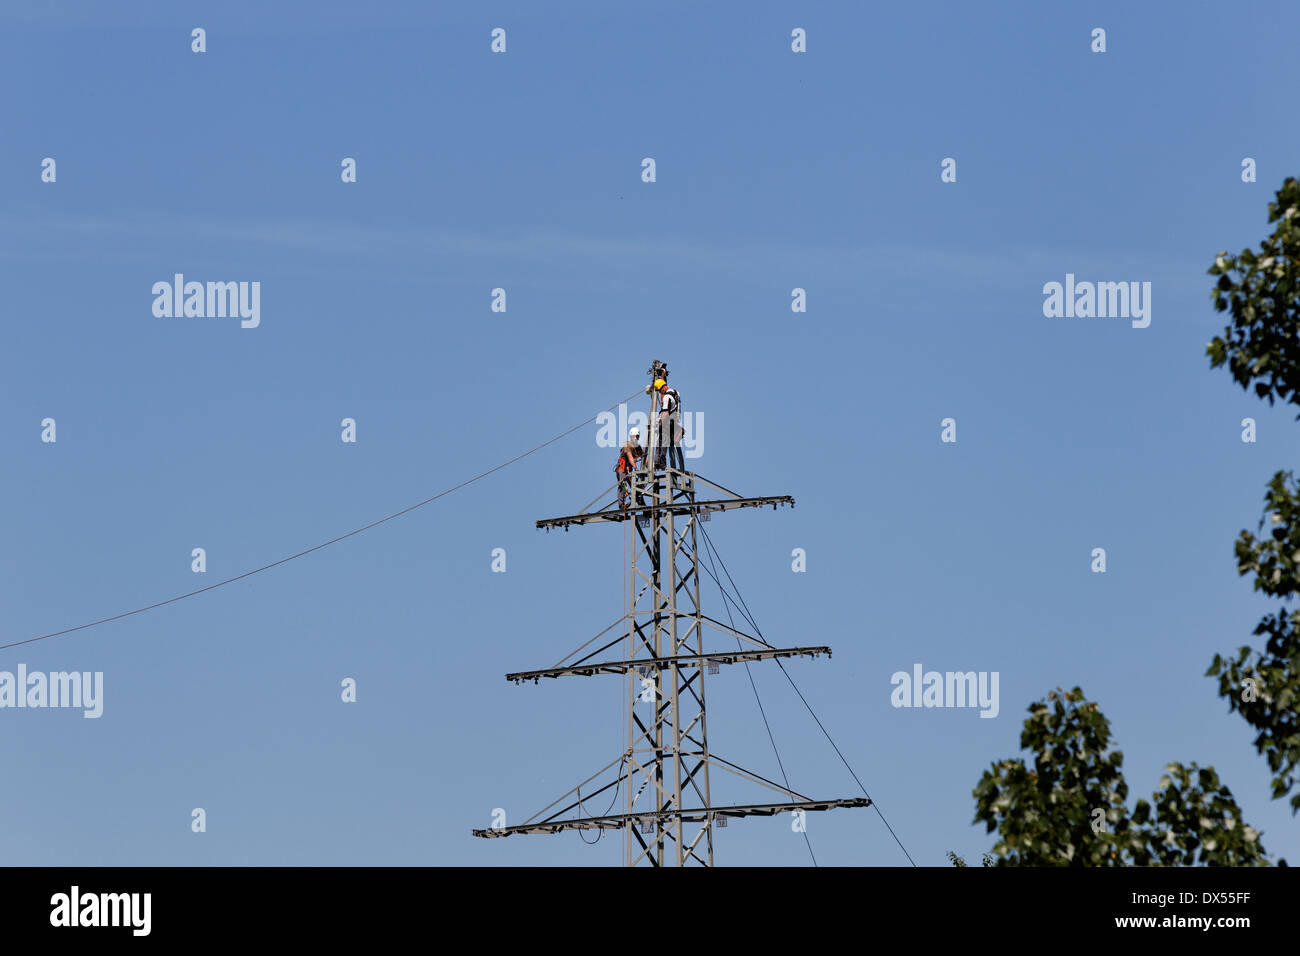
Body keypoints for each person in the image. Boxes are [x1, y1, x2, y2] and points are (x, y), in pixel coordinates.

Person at [651, 368, 684, 473]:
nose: (660, 392)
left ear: (662, 388)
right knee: (665, 440)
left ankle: (660, 461)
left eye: (660, 390)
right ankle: (660, 461)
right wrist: (663, 375)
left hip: (668, 421)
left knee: (662, 441)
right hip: (675, 420)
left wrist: (661, 422)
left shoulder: (666, 398)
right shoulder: (676, 392)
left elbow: (665, 411)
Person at [615, 426, 645, 510]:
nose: (636, 438)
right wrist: (636, 468)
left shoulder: (638, 447)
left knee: (635, 485)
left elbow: (643, 458)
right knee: (622, 485)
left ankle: (640, 502)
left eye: (637, 436)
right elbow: (630, 457)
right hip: (622, 469)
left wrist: (650, 466)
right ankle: (622, 505)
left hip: (629, 470)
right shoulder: (627, 445)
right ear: (631, 437)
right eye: (635, 436)